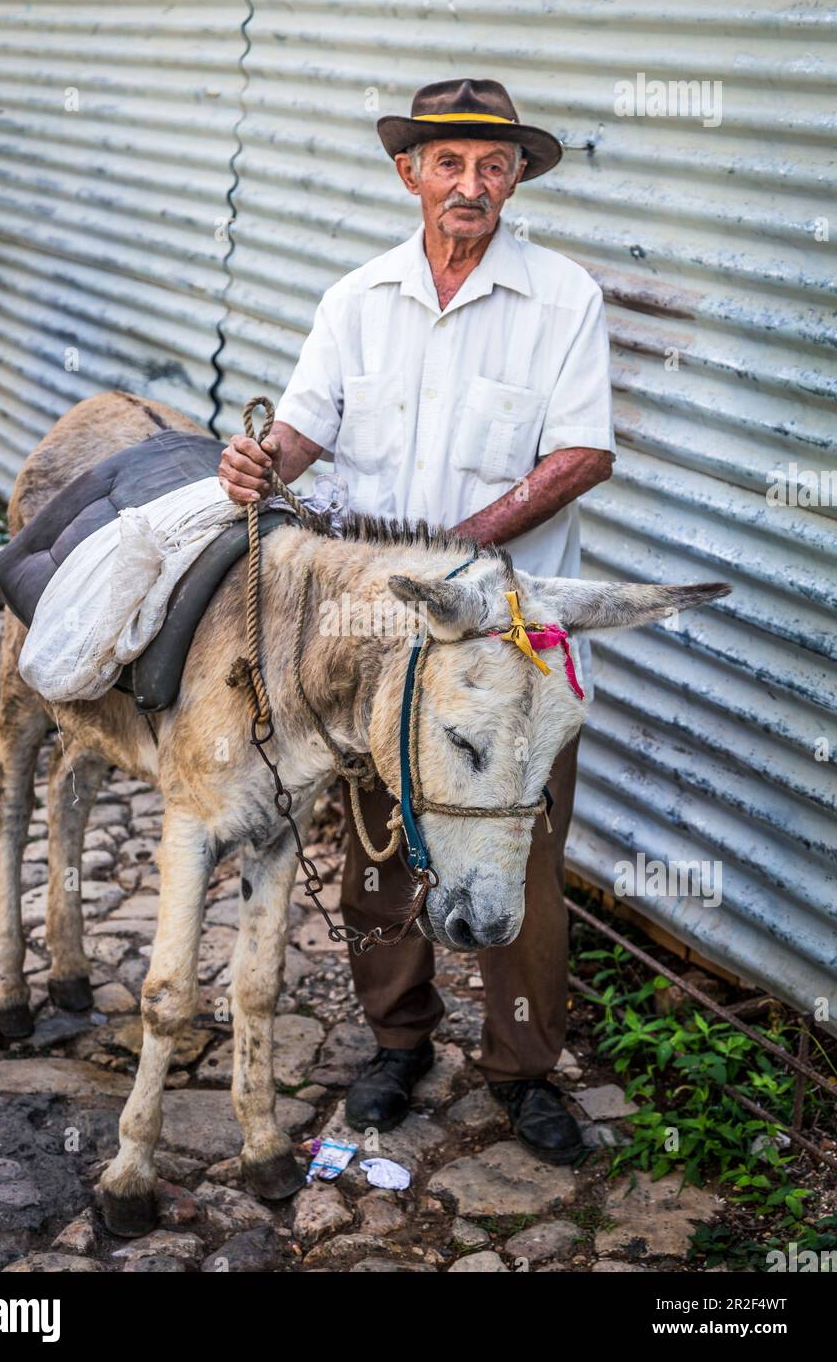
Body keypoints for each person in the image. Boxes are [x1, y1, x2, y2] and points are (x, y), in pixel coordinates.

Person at [218, 77, 615, 1164]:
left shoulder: (562, 297)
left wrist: (465, 547)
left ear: (517, 177)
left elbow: (581, 452)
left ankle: (523, 1066)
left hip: (505, 635)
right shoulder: (357, 298)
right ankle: (397, 1041)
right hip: (380, 636)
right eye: (449, 163)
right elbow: (305, 423)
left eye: (493, 165)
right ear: (411, 173)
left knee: (516, 851)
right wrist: (265, 462)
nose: (471, 185)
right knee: (380, 845)